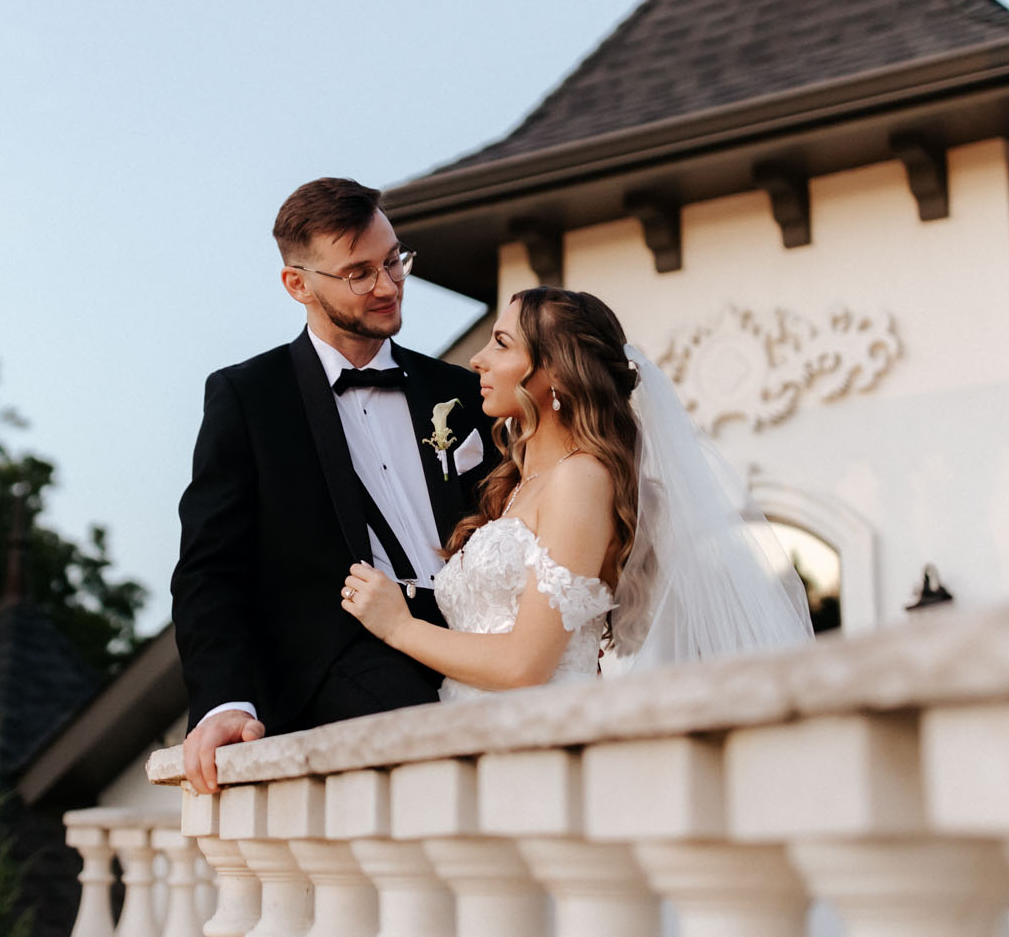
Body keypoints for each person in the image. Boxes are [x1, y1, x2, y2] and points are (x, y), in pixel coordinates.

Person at [172, 178, 493, 792]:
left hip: (476, 639)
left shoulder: (455, 391)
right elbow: (209, 568)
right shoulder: (249, 397)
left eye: (393, 260)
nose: (388, 285)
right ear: (298, 284)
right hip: (343, 660)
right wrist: (223, 702)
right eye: (358, 273)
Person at [341, 285, 814, 696]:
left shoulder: (582, 479)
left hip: (535, 733)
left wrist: (399, 626)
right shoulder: (517, 484)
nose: (477, 359)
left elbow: (525, 664)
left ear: (556, 376)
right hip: (473, 727)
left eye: (502, 344)